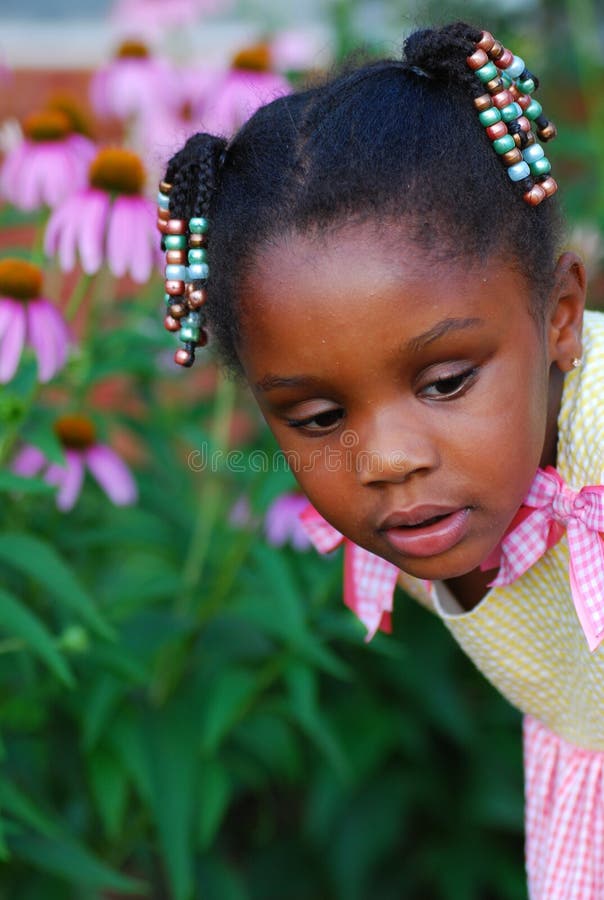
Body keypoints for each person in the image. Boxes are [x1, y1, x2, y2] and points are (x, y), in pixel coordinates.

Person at [156, 21, 604, 898]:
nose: (387, 460)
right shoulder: (432, 509)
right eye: (320, 417)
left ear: (558, 317)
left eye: (446, 382)